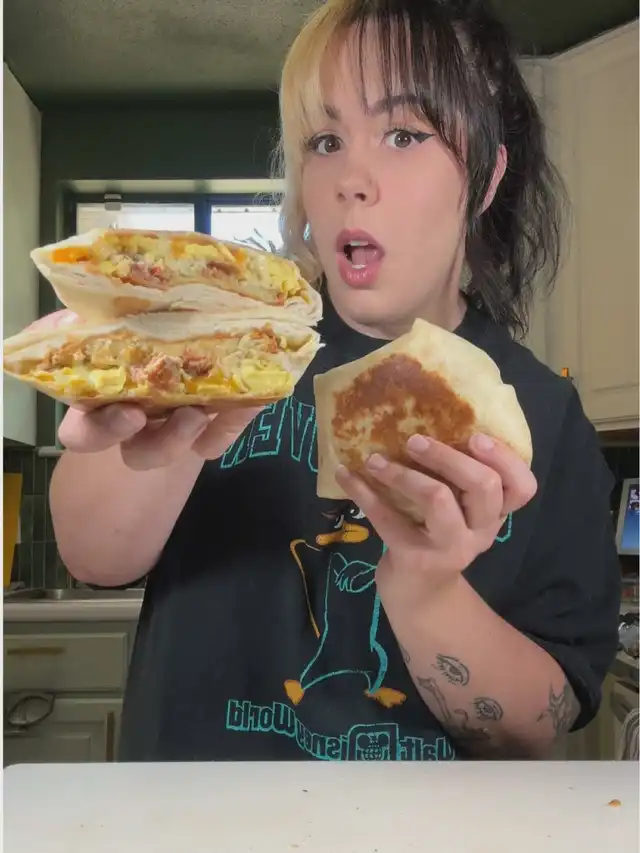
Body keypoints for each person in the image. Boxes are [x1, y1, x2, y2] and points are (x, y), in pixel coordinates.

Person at [49, 0, 620, 761]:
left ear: (486, 179)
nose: (352, 178)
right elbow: (93, 556)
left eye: (404, 135)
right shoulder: (226, 345)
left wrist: (426, 587)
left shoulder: (545, 413)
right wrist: (164, 400)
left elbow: (538, 721)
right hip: (188, 816)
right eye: (324, 141)